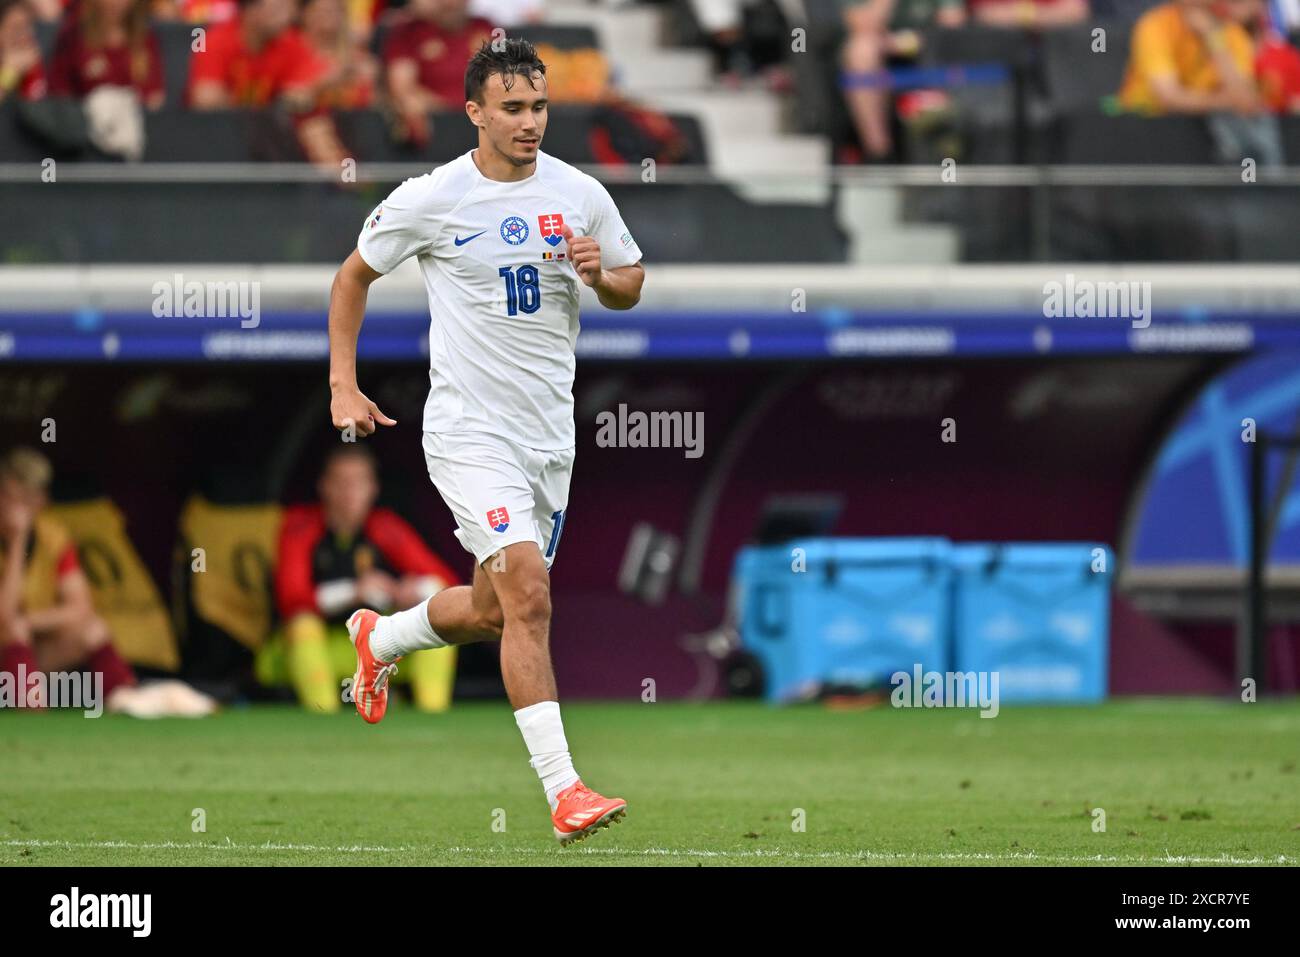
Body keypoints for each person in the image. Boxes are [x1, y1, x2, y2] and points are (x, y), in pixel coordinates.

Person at [326, 38, 645, 846]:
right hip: (469, 432)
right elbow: (353, 275)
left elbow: (631, 284)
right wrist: (343, 382)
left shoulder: (580, 193)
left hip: (548, 440)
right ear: (474, 111)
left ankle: (381, 635)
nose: (530, 121)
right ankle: (564, 790)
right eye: (512, 108)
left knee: (498, 609)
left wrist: (600, 273)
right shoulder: (433, 197)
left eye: (539, 106)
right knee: (531, 593)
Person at [0, 448, 214, 718]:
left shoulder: (52, 536)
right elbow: (5, 618)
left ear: (42, 501)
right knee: (14, 631)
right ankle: (29, 711)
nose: (18, 510)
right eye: (11, 498)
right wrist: (17, 541)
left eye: (28, 500)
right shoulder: (16, 538)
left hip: (24, 649)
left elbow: (79, 608)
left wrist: (28, 621)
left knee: (92, 629)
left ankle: (124, 699)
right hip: (6, 648)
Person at [267, 444, 458, 713]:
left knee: (438, 621)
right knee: (302, 625)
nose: (350, 493)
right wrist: (354, 591)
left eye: (359, 483)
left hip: (378, 653)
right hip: (311, 652)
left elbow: (445, 585)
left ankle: (433, 719)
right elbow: (292, 599)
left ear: (373, 488)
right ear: (324, 486)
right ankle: (326, 720)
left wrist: (410, 590)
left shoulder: (385, 527)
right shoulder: (300, 526)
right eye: (341, 483)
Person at [382, 0, 493, 146]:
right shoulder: (409, 33)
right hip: (436, 130)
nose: (449, 4)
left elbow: (504, 78)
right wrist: (452, 114)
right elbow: (403, 90)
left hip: (484, 127)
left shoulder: (485, 28)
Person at [47, 0, 166, 108]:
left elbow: (155, 97)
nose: (116, 3)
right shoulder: (75, 36)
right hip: (83, 123)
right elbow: (58, 93)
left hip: (133, 123)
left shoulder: (144, 38)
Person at [0, 0, 48, 103]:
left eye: (29, 26)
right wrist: (10, 72)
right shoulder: (10, 69)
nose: (25, 36)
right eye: (16, 28)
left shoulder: (43, 60)